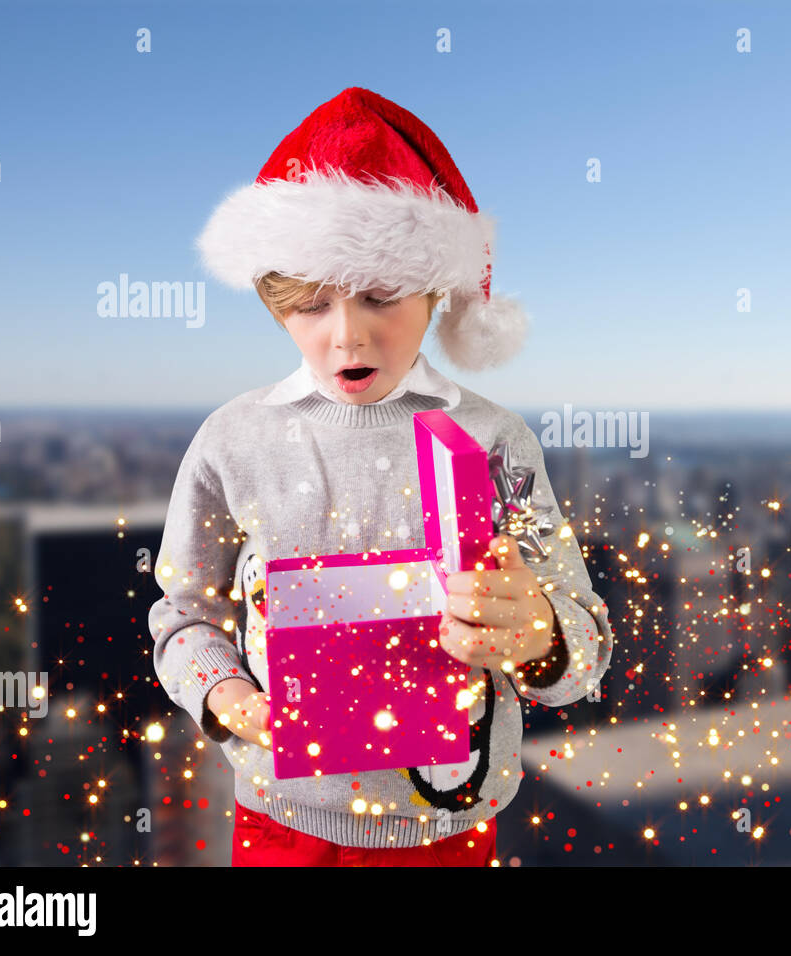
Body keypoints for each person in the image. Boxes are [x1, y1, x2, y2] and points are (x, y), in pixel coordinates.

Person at [148, 87, 614, 866]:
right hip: (279, 823)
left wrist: (540, 638)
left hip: (449, 831)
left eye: (379, 295)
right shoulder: (233, 441)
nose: (346, 335)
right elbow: (182, 616)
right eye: (311, 304)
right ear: (274, 302)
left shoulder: (495, 442)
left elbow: (587, 645)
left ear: (437, 288)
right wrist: (227, 700)